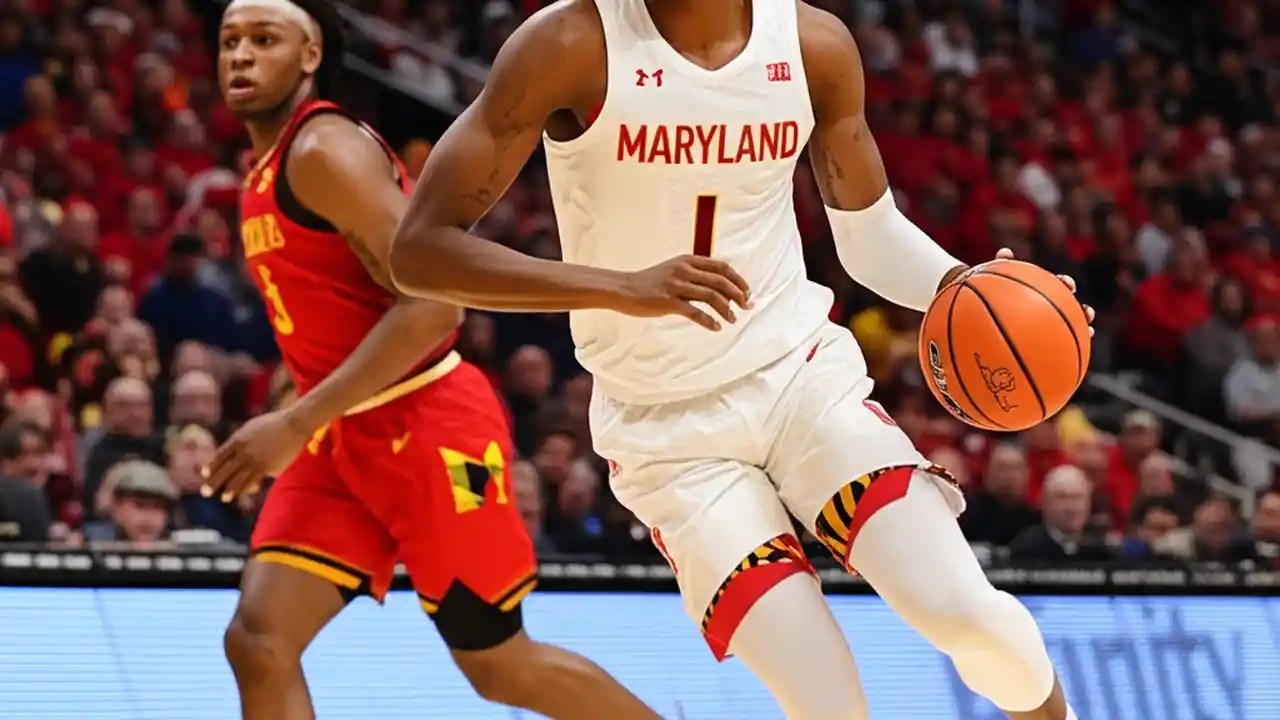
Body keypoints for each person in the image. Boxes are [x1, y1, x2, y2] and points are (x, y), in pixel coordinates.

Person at [388, 1, 1092, 718]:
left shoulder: (814, 44)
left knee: (970, 618)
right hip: (667, 433)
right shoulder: (570, 43)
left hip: (800, 380)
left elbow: (869, 234)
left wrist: (971, 287)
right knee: (828, 706)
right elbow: (418, 250)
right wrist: (620, 290)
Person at [205, 2, 661, 719]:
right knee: (259, 640)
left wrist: (293, 424)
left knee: (498, 664)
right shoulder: (262, 167)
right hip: (342, 434)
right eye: (230, 41)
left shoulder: (322, 152)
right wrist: (296, 415)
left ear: (311, 53)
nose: (241, 55)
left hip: (428, 424)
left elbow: (433, 305)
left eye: (265, 40)